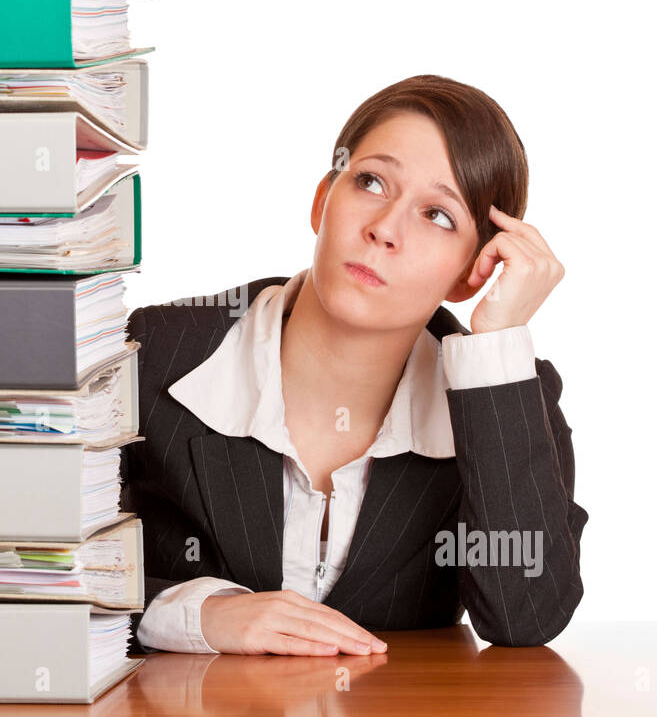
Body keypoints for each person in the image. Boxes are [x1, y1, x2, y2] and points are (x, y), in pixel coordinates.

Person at [120, 74, 588, 655]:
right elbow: (21, 568)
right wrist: (197, 614)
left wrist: (496, 345)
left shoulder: (508, 401)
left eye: (438, 215)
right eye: (371, 182)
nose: (384, 229)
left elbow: (525, 617)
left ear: (475, 271)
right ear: (323, 200)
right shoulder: (149, 354)